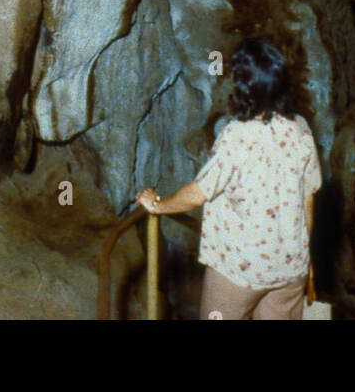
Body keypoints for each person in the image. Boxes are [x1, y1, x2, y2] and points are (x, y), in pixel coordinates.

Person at [135, 37, 321, 320]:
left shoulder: (237, 137)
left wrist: (158, 205)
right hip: (289, 268)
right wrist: (304, 258)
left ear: (244, 86)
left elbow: (199, 193)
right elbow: (307, 200)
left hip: (240, 271)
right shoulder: (301, 129)